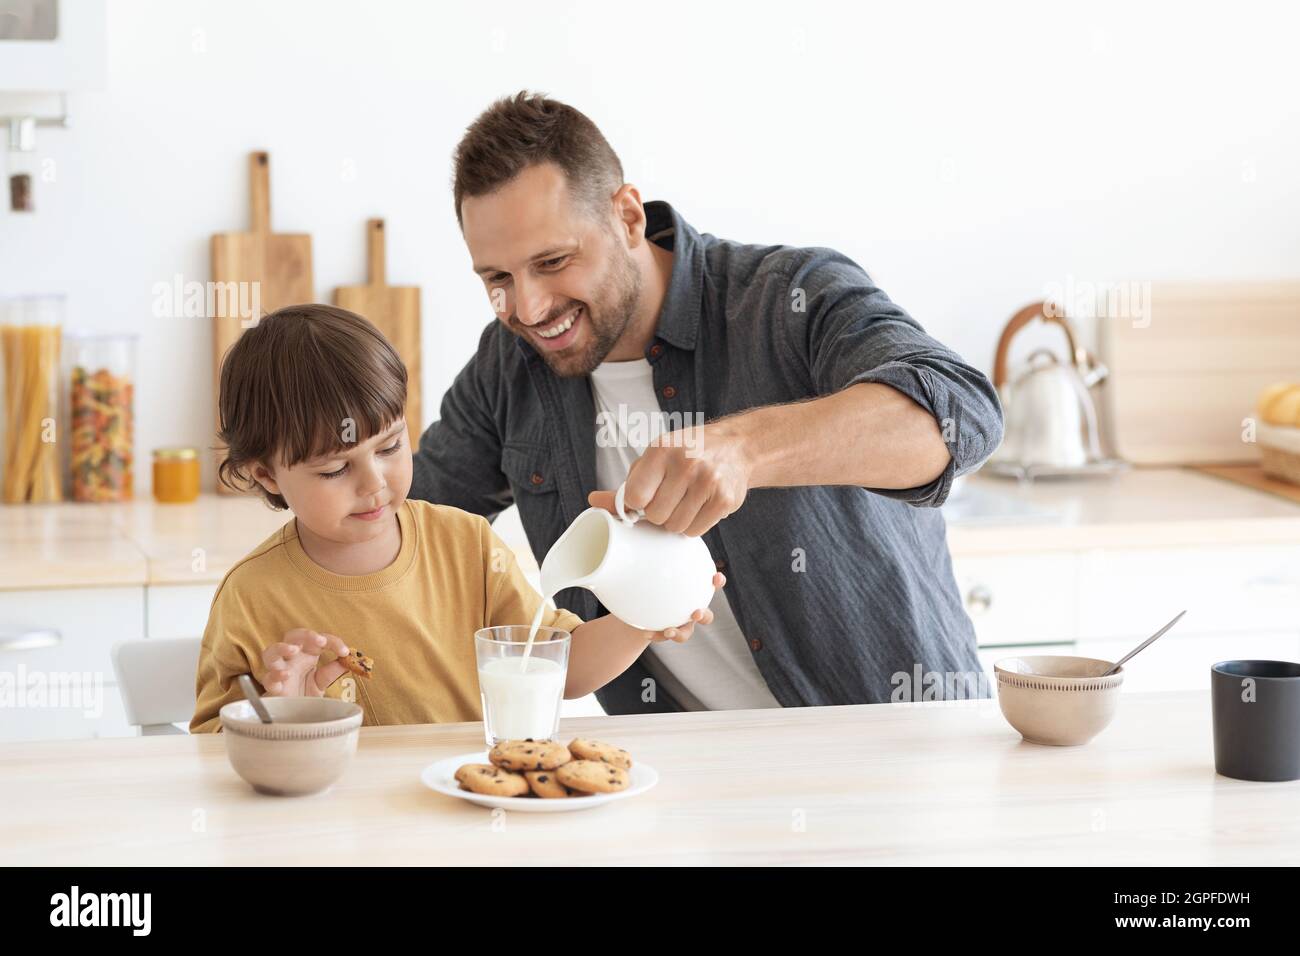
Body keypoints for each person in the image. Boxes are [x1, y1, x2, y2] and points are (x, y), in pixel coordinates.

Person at [408, 92, 1005, 715]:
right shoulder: (510, 367)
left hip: (897, 750)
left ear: (628, 216)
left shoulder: (786, 299)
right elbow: (405, 527)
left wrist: (742, 450)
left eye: (553, 262)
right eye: (497, 280)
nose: (528, 309)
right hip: (690, 783)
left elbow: (960, 414)